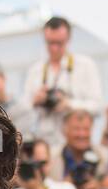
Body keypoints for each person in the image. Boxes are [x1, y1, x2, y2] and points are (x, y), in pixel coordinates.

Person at [19, 16, 102, 153]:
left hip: (75, 145)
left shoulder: (85, 66)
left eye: (59, 43)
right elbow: (23, 111)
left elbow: (97, 106)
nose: (54, 48)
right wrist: (35, 100)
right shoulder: (35, 71)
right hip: (44, 145)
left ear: (68, 40)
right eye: (50, 43)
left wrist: (68, 104)